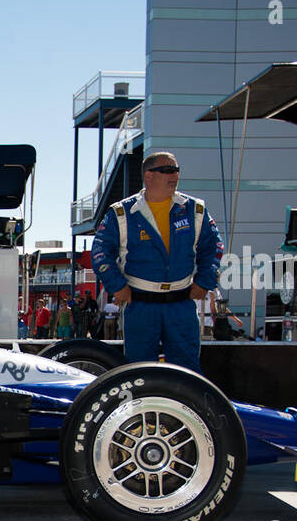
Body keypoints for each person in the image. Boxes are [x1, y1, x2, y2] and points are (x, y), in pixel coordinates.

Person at [92, 151, 222, 372]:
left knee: (187, 372)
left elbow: (214, 247)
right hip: (140, 305)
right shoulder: (122, 213)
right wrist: (117, 286)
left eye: (177, 170)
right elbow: (100, 251)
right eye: (168, 170)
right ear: (149, 176)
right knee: (138, 372)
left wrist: (205, 280)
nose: (175, 175)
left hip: (181, 304)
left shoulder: (195, 210)